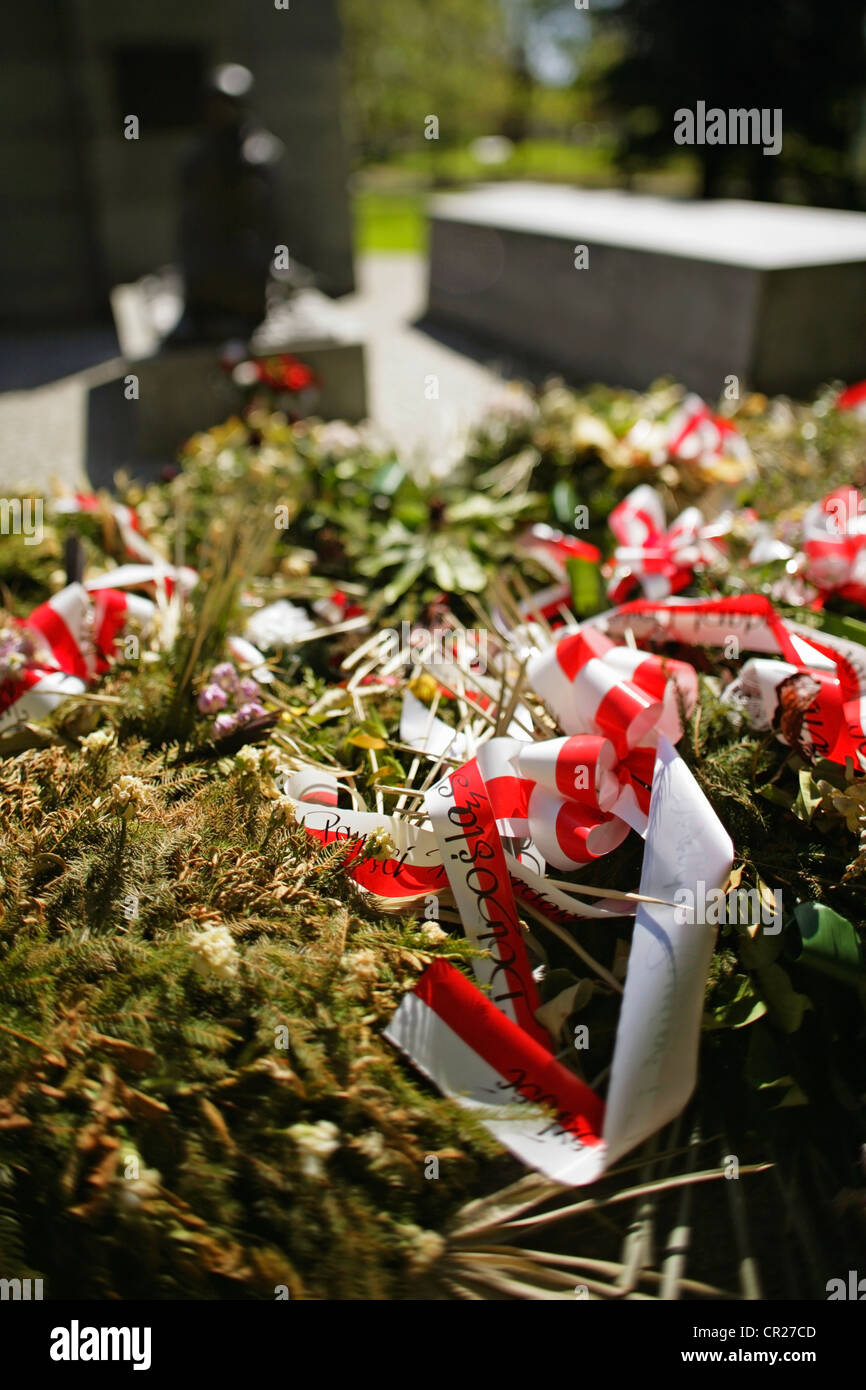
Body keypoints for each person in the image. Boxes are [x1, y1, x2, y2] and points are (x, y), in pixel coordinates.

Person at [170, 64, 283, 344]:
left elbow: (267, 213)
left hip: (244, 246)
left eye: (227, 105)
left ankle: (248, 313)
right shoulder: (198, 153)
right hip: (208, 242)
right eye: (214, 104)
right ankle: (196, 312)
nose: (219, 112)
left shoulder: (257, 152)